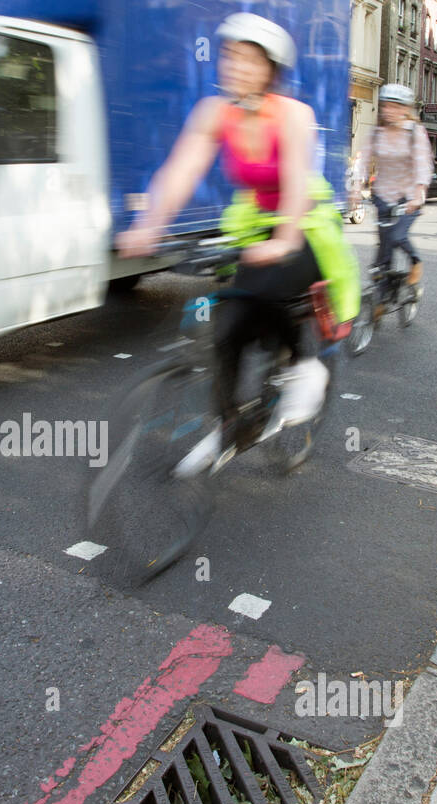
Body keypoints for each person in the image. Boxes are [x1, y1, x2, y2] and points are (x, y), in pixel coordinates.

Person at [117, 12, 342, 473]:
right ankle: (229, 427)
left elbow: (298, 180)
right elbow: (180, 171)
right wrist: (149, 223)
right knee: (227, 322)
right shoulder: (214, 114)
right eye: (229, 56)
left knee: (271, 281)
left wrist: (285, 239)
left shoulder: (294, 115)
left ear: (270, 68)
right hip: (256, 223)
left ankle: (304, 366)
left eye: (248, 58)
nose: (234, 65)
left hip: (307, 223)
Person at [349, 83, 433, 317]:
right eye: (385, 105)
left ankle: (415, 262)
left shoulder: (415, 133)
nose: (389, 110)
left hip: (408, 198)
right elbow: (363, 161)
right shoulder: (377, 133)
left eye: (395, 106)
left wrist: (418, 192)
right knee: (382, 253)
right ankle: (381, 298)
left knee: (397, 236)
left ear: (406, 109)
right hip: (383, 196)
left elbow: (422, 163)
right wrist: (357, 187)